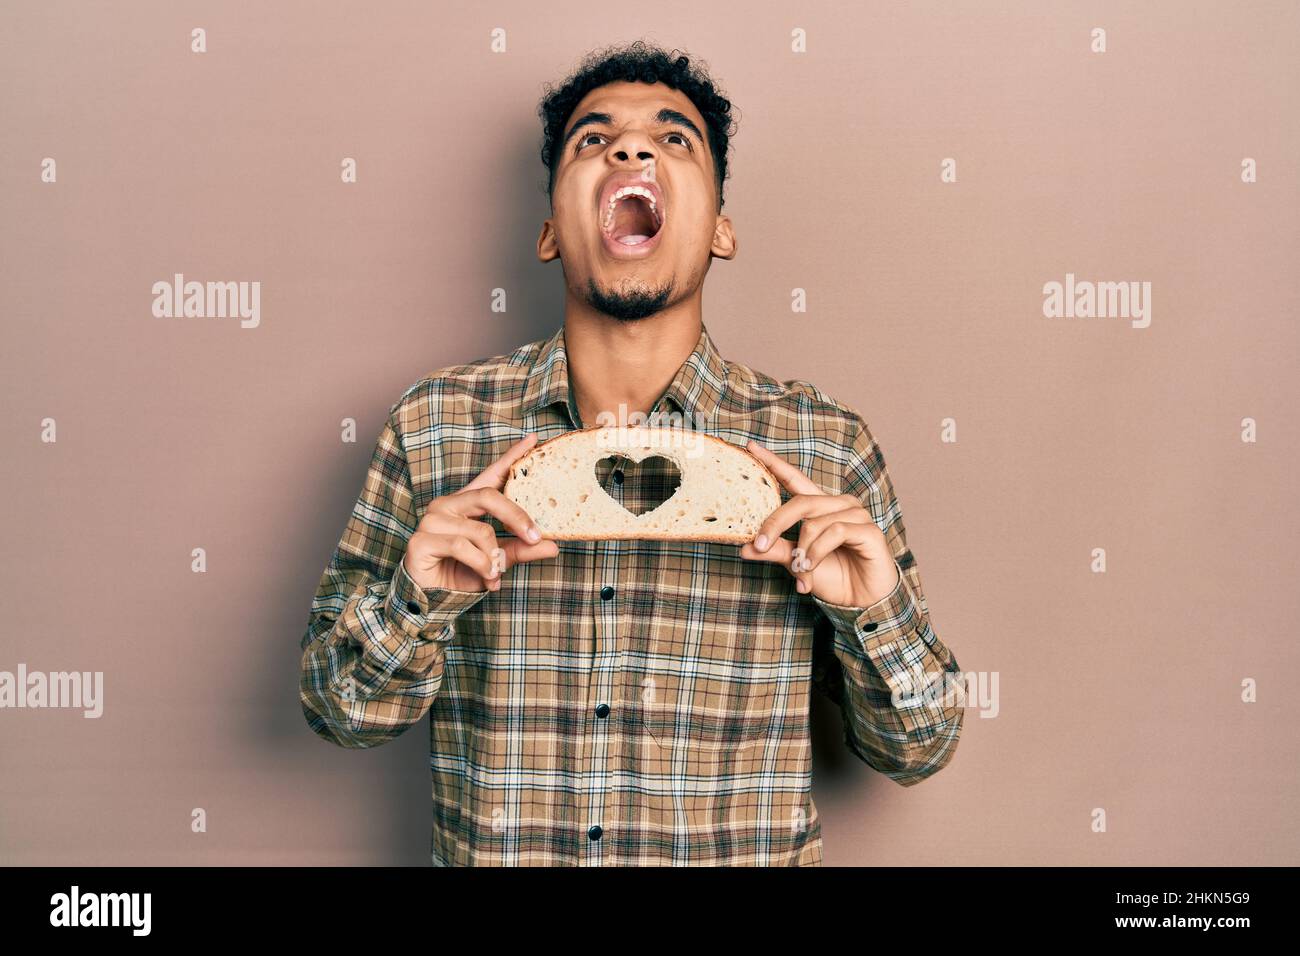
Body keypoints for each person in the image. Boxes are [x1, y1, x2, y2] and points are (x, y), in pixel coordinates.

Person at [299, 40, 964, 866]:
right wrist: (412, 604)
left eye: (673, 137)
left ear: (722, 229)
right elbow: (337, 714)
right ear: (548, 231)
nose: (631, 147)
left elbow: (921, 747)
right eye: (593, 139)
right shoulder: (436, 428)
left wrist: (870, 611)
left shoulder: (823, 447)